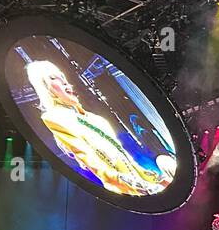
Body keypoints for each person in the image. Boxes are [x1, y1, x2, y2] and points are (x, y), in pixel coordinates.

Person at [24, 60, 174, 197]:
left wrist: (153, 179)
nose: (64, 82)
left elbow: (126, 159)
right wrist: (130, 183)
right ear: (44, 87)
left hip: (140, 183)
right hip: (123, 188)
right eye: (53, 78)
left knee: (166, 163)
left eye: (62, 76)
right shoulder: (54, 116)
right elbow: (89, 159)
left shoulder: (94, 118)